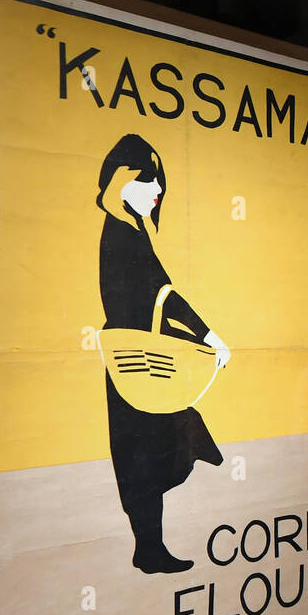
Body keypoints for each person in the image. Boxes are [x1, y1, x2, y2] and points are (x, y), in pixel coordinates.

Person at [96, 133, 231, 574]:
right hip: (138, 362)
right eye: (148, 179)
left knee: (145, 452)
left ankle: (149, 548)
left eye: (160, 183)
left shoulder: (128, 231)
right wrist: (207, 336)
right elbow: (162, 296)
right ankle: (149, 548)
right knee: (145, 453)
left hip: (135, 359)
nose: (157, 191)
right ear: (119, 181)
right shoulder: (123, 235)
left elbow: (154, 299)